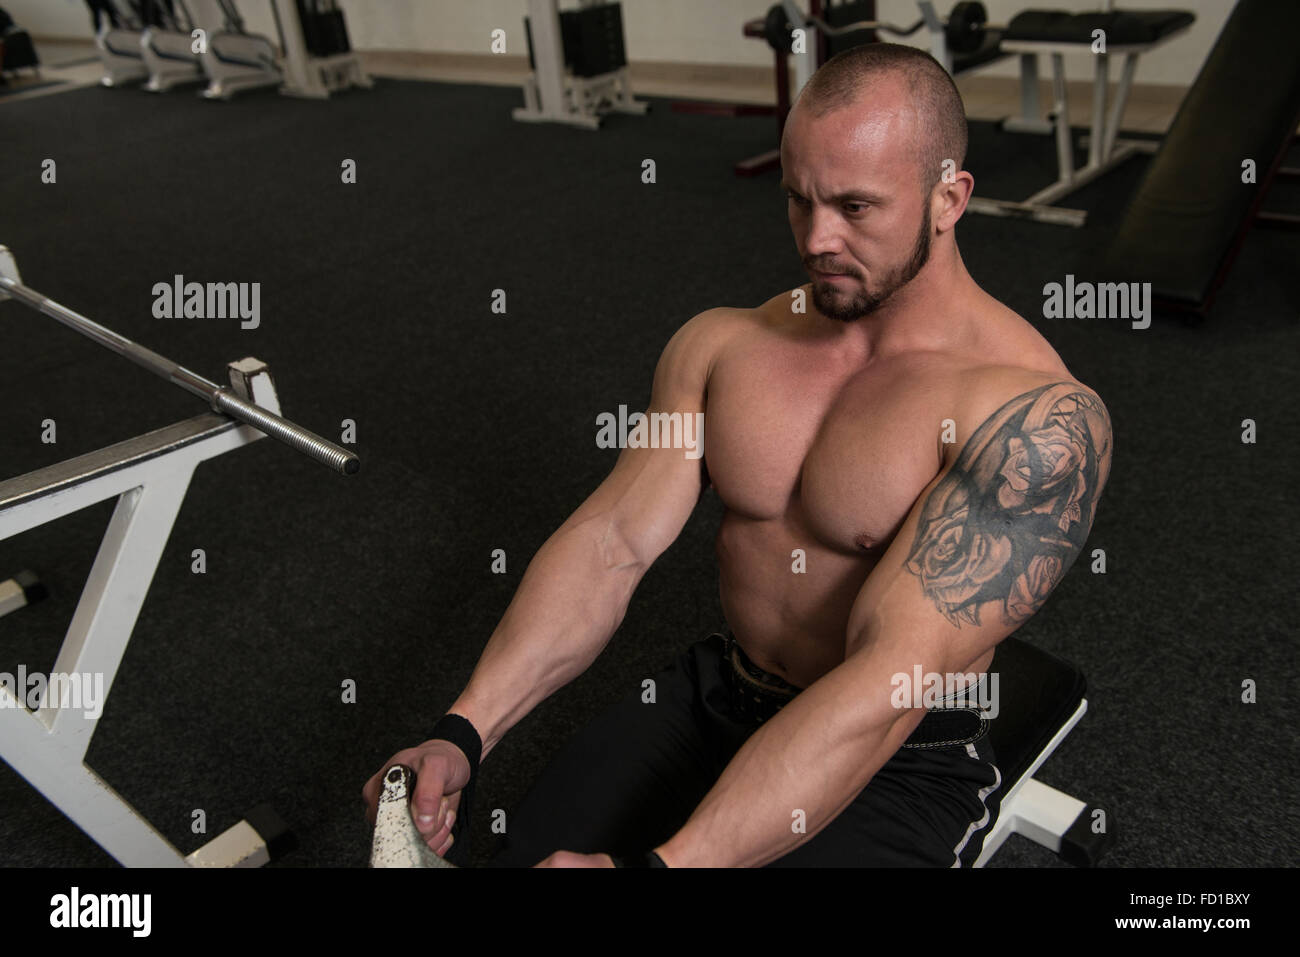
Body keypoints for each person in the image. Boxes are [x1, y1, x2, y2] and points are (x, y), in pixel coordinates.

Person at [362, 41, 1112, 868]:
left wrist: (664, 867)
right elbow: (613, 543)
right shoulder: (724, 344)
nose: (817, 239)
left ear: (949, 197)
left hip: (900, 754)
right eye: (799, 201)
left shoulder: (1032, 417)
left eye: (856, 207)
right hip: (720, 691)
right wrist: (464, 730)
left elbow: (890, 679)